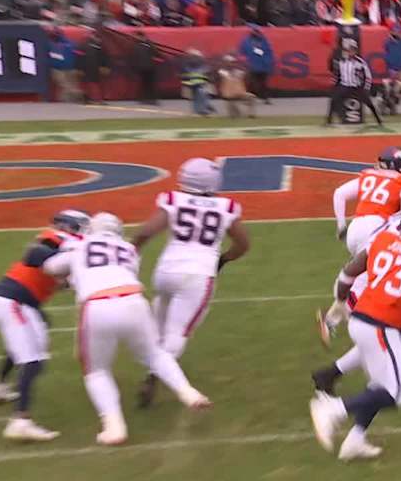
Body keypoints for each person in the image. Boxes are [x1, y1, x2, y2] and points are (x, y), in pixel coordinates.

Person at [43, 213, 212, 445]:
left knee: (97, 371)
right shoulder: (129, 250)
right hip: (133, 299)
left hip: (97, 305)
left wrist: (67, 260)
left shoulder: (79, 247)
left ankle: (114, 426)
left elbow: (50, 267)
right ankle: (187, 392)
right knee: (155, 354)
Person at [308, 207, 401, 461]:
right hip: (381, 326)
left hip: (363, 318)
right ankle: (333, 408)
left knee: (380, 385)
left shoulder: (383, 240)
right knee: (395, 394)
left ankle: (355, 440)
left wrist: (340, 301)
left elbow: (349, 272)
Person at [130, 159, 249, 407]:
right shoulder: (226, 206)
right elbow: (242, 244)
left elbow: (144, 233)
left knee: (160, 324)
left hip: (165, 271)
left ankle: (155, 364)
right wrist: (223, 259)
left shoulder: (173, 199)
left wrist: (129, 256)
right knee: (177, 332)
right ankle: (154, 375)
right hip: (197, 275)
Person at [0, 210, 90, 441]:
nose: (85, 230)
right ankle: (21, 421)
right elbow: (35, 254)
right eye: (81, 226)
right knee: (33, 359)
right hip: (11, 302)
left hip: (16, 302)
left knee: (36, 330)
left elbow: (55, 276)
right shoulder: (55, 239)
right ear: (68, 226)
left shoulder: (66, 245)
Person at [331, 147, 401, 255]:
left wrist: (341, 226)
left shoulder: (369, 177)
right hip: (375, 229)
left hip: (354, 228)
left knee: (359, 264)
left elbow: (339, 194)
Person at [327, 40, 381, 125]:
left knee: (369, 102)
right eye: (349, 50)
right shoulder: (341, 61)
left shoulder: (360, 62)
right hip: (344, 85)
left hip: (356, 86)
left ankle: (379, 120)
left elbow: (368, 75)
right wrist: (335, 81)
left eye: (353, 50)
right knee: (334, 100)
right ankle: (329, 121)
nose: (351, 52)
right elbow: (335, 71)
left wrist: (366, 87)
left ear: (355, 51)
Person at [238, 25, 274, 105]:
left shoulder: (264, 41)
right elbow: (242, 52)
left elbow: (268, 52)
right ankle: (250, 99)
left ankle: (265, 98)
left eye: (258, 32)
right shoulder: (246, 41)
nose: (258, 33)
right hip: (251, 66)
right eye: (256, 31)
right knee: (251, 83)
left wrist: (268, 63)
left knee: (263, 83)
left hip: (262, 66)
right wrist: (244, 62)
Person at [47, 27, 80, 103]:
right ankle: (66, 100)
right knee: (67, 85)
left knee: (68, 85)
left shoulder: (50, 44)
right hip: (64, 68)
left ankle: (69, 100)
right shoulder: (70, 43)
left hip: (63, 68)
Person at [78, 32, 109, 104]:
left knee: (89, 84)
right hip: (90, 68)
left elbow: (103, 57)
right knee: (92, 84)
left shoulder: (98, 46)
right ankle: (94, 99)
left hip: (92, 68)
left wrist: (104, 66)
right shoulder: (84, 45)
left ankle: (90, 99)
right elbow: (79, 57)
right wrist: (79, 68)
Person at [383, 29, 401, 109]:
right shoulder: (388, 43)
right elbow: (386, 53)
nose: (396, 33)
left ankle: (399, 98)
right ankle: (392, 102)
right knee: (392, 86)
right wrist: (389, 63)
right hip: (392, 68)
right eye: (394, 31)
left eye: (398, 32)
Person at [181, 49, 213, 115]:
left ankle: (201, 109)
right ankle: (202, 109)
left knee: (199, 96)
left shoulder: (189, 64)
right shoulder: (199, 64)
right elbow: (206, 71)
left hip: (196, 83)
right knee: (200, 95)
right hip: (197, 83)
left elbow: (185, 73)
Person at [131, 30, 159, 104]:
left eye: (138, 36)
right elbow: (134, 57)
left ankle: (152, 99)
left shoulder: (148, 45)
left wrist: (149, 43)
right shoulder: (136, 45)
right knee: (143, 84)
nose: (137, 38)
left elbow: (156, 53)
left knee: (150, 84)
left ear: (142, 36)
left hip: (149, 67)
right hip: (141, 67)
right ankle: (144, 99)